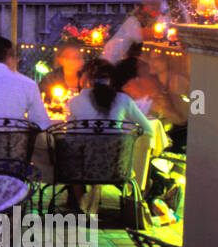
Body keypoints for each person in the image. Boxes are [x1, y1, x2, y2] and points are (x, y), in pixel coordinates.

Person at [65, 59, 153, 214]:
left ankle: (79, 203)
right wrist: (123, 135)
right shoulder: (123, 100)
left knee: (72, 155)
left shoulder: (75, 101)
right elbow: (147, 130)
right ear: (111, 80)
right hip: (116, 167)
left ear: (87, 79)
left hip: (83, 169)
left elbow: (70, 135)